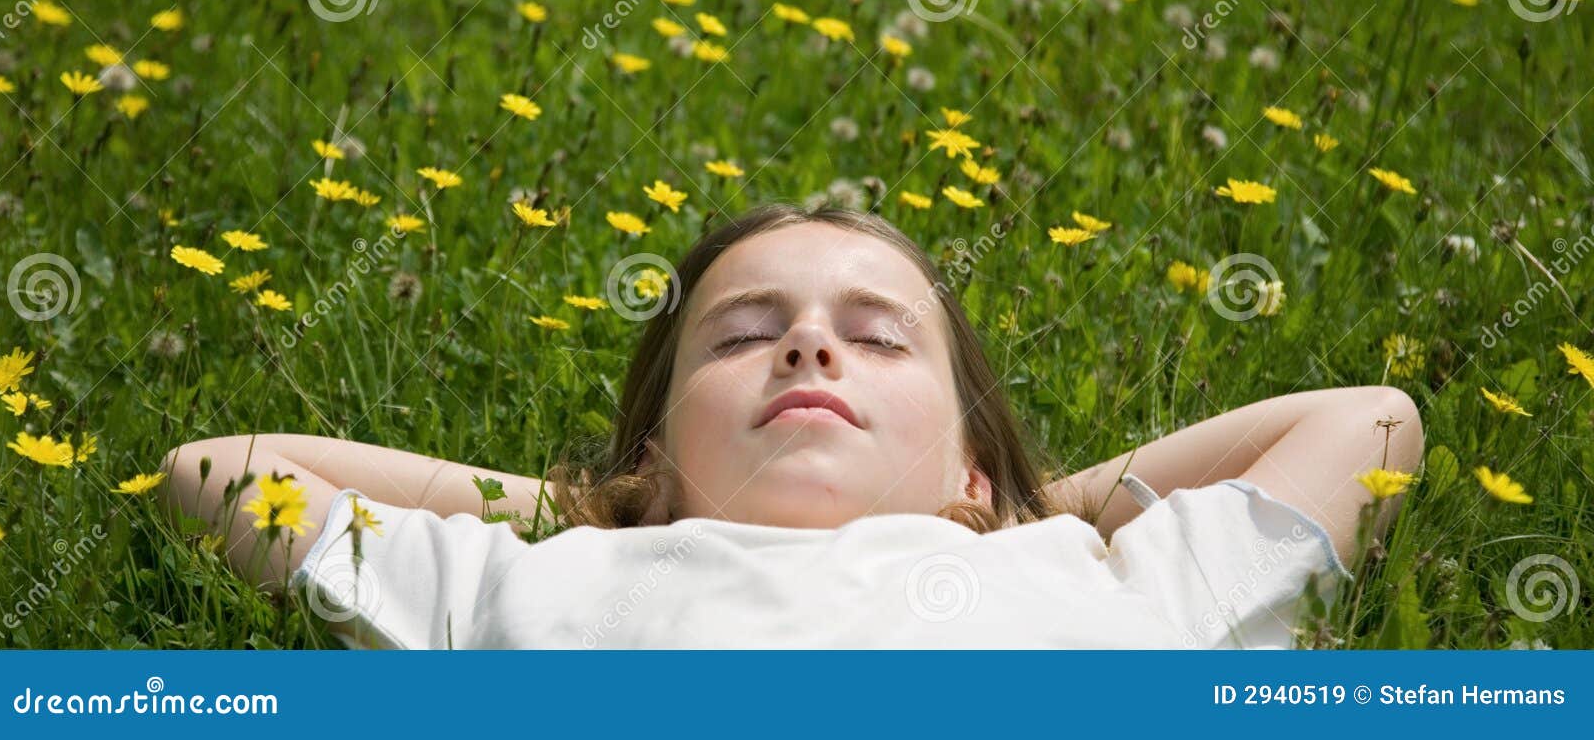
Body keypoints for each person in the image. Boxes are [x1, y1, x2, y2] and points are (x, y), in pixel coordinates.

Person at [159, 203, 1422, 649]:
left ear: (975, 464)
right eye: (740, 333)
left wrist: (1027, 503)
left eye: (877, 336)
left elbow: (1369, 419)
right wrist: (595, 506)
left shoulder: (1096, 574)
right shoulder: (531, 580)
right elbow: (225, 469)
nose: (810, 343)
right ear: (650, 452)